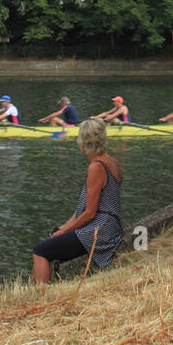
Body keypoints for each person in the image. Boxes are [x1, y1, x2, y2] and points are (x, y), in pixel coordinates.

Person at [30, 118, 124, 285]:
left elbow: (90, 213)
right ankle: (30, 291)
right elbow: (83, 210)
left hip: (100, 230)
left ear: (83, 143)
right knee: (52, 237)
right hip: (110, 226)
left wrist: (63, 232)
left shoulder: (96, 167)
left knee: (40, 251)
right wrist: (62, 229)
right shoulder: (113, 162)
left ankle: (40, 295)